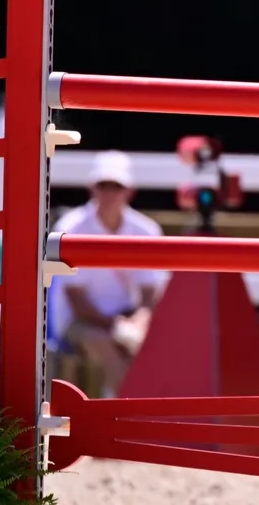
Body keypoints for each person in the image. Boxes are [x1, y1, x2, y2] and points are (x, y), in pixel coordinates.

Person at [49, 150, 163, 398]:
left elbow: (149, 291)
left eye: (116, 186)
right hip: (76, 322)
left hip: (125, 317)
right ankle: (127, 411)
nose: (109, 193)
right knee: (104, 342)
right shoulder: (71, 228)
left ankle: (133, 411)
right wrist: (120, 328)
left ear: (129, 191)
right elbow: (76, 300)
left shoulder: (146, 229)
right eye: (104, 185)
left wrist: (138, 322)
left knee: (160, 342)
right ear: (92, 188)